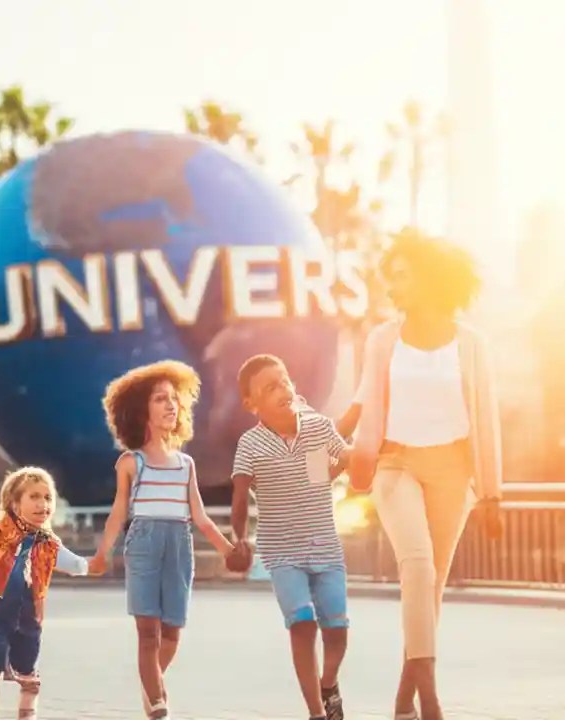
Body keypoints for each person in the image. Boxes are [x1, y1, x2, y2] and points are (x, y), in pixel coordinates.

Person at [345, 230, 503, 720]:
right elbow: (363, 401)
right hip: (395, 466)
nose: (390, 287)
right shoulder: (382, 340)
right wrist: (320, 440)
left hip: (453, 471)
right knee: (416, 566)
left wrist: (494, 494)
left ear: (429, 278)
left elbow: (486, 417)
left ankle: (404, 698)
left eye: (400, 276)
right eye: (388, 278)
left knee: (430, 587)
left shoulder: (471, 344)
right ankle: (430, 699)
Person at [90, 360, 235, 720]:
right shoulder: (130, 462)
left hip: (178, 545)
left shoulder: (186, 464)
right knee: (148, 633)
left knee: (172, 633)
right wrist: (101, 553)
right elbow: (119, 513)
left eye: (174, 399)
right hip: (143, 542)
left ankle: (149, 682)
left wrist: (228, 549)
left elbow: (200, 516)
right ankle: (157, 703)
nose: (171, 405)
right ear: (141, 410)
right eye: (160, 399)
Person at [228, 354, 350, 720]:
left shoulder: (319, 427)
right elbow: (239, 498)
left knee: (338, 630)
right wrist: (240, 538)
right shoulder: (250, 445)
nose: (282, 389)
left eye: (284, 381)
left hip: (325, 546)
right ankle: (316, 711)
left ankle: (327, 682)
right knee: (302, 622)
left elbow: (345, 457)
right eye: (270, 388)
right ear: (251, 404)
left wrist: (329, 474)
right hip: (281, 552)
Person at [0, 467, 92, 720]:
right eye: (34, 497)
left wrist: (86, 565)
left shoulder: (50, 543)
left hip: (30, 618)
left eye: (47, 497)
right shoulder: (1, 527)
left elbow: (72, 563)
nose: (42, 504)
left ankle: (27, 714)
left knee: (29, 674)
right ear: (14, 502)